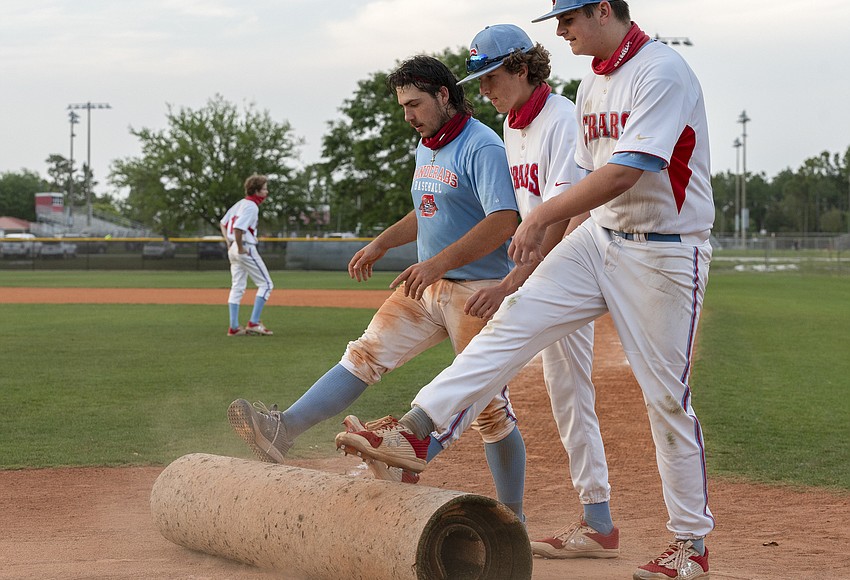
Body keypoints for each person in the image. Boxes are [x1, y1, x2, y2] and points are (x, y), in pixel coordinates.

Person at [336, 2, 716, 578]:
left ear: (604, 10)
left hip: (664, 250)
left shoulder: (660, 71)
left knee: (665, 397)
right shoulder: (593, 83)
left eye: (568, 19)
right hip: (599, 238)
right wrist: (530, 261)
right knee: (510, 323)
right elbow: (593, 180)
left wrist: (538, 222)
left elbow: (626, 170)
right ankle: (416, 431)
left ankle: (691, 543)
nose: (560, 31)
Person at [228, 55, 529, 519]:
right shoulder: (427, 145)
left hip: (478, 291)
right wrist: (379, 245)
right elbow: (427, 210)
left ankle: (512, 516)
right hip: (425, 285)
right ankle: (282, 429)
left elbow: (503, 221)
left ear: (444, 96)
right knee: (363, 355)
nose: (408, 116)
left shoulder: (481, 146)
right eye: (402, 106)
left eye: (414, 104)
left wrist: (434, 264)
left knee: (488, 409)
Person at [458, 24, 618, 558]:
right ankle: (599, 522)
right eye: (477, 79)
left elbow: (565, 215)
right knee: (567, 391)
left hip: (571, 267)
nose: (484, 89)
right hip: (541, 270)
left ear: (523, 68)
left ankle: (416, 436)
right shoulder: (511, 123)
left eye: (492, 76)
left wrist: (513, 282)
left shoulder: (563, 118)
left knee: (495, 358)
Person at [220, 174, 275, 336]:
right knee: (266, 284)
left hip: (234, 250)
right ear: (256, 190)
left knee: (237, 286)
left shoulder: (240, 204)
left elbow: (223, 223)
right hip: (244, 247)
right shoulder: (251, 206)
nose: (267, 191)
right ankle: (254, 323)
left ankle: (234, 327)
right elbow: (238, 228)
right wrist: (239, 246)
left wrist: (229, 243)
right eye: (264, 188)